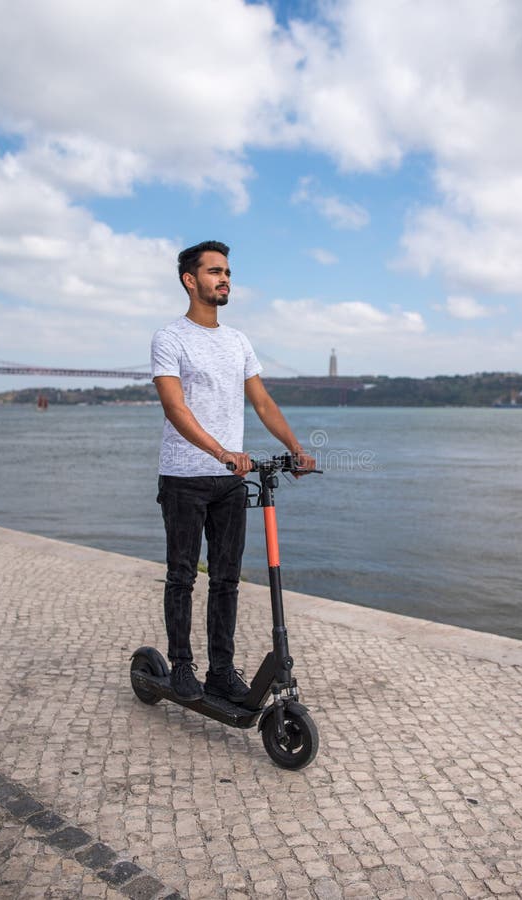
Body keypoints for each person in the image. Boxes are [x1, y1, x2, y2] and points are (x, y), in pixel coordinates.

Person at [151, 240, 316, 703]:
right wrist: (222, 451)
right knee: (182, 576)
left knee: (227, 579)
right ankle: (182, 667)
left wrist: (295, 449)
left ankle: (221, 671)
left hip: (229, 484)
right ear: (190, 280)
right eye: (214, 271)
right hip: (184, 477)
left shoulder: (238, 340)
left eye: (228, 272)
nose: (225, 279)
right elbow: (174, 407)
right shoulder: (170, 338)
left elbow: (261, 401)